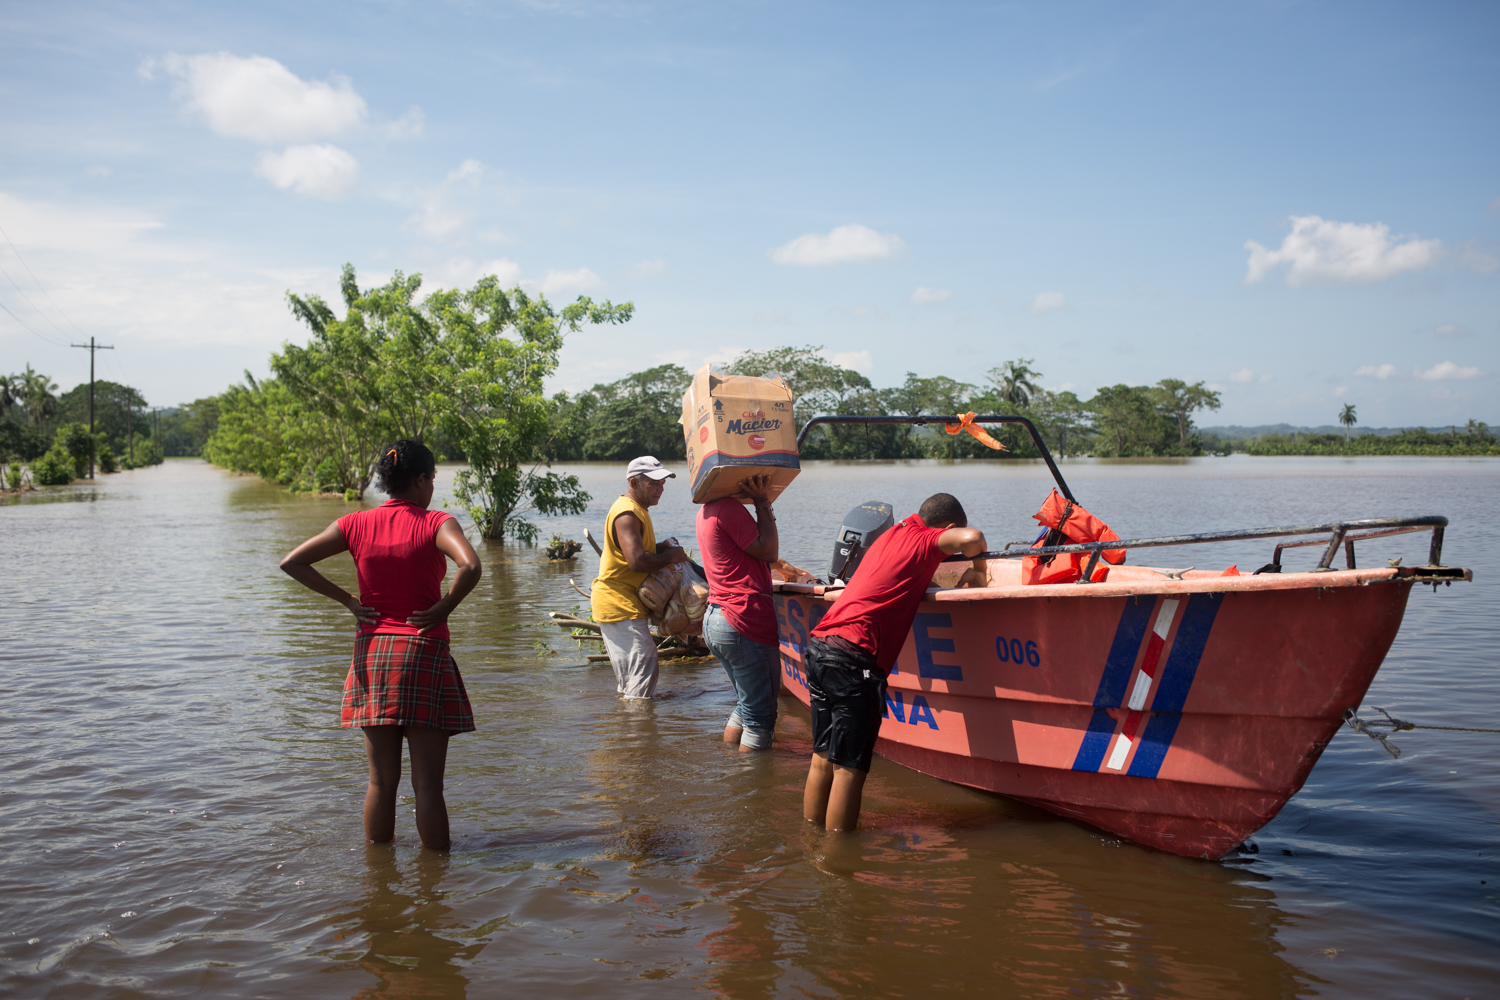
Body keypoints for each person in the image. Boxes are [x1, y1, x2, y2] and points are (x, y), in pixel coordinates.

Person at [279, 440, 482, 851]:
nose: (432, 489)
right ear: (422, 479)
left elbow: (292, 562)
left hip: (373, 654)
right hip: (422, 651)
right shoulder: (436, 522)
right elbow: (471, 565)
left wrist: (348, 601)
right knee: (428, 787)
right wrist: (443, 608)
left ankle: (378, 881)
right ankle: (436, 885)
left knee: (380, 781)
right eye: (433, 480)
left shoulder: (354, 523)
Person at [801, 492, 989, 833]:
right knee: (849, 768)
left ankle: (811, 839)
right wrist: (979, 569)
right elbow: (973, 538)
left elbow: (901, 577)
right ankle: (836, 861)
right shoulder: (928, 538)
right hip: (853, 658)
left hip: (820, 647)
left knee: (822, 759)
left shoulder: (893, 533)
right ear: (946, 528)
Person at [591, 456, 689, 700]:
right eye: (653, 483)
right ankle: (637, 734)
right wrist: (671, 556)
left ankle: (627, 730)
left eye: (663, 483)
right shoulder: (627, 513)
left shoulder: (637, 510)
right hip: (619, 604)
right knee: (643, 673)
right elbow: (636, 561)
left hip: (622, 604)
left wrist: (660, 548)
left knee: (633, 681)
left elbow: (636, 551)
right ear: (634, 482)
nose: (660, 489)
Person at [696, 474, 780, 751]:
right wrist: (761, 500)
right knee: (761, 716)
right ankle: (752, 786)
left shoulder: (706, 510)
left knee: (747, 705)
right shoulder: (729, 509)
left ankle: (733, 771)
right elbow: (768, 551)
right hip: (742, 618)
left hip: (717, 616)